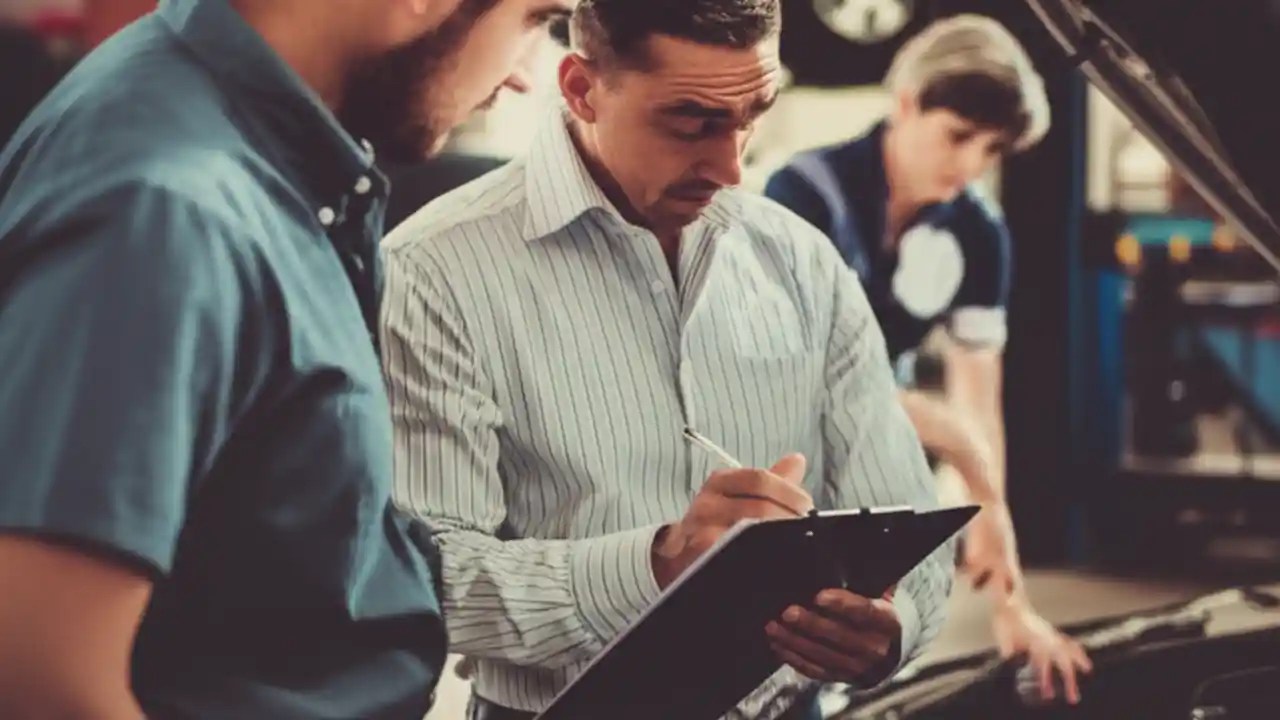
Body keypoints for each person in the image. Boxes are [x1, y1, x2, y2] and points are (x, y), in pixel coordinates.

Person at [380, 1, 955, 718]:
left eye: (754, 115)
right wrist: (657, 565)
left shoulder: (802, 262)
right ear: (581, 88)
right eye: (692, 123)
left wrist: (891, 632)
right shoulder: (435, 270)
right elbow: (425, 580)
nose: (732, 168)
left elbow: (911, 526)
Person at [0, 0, 572, 717]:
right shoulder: (170, 210)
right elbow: (40, 678)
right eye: (533, 19)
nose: (524, 76)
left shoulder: (231, 140)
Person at [763, 14, 1092, 704]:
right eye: (959, 136)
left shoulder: (979, 232)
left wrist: (1010, 592)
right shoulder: (801, 196)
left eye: (992, 149)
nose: (971, 164)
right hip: (782, 452)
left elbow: (979, 401)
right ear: (905, 102)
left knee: (880, 650)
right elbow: (814, 377)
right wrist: (965, 454)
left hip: (886, 453)